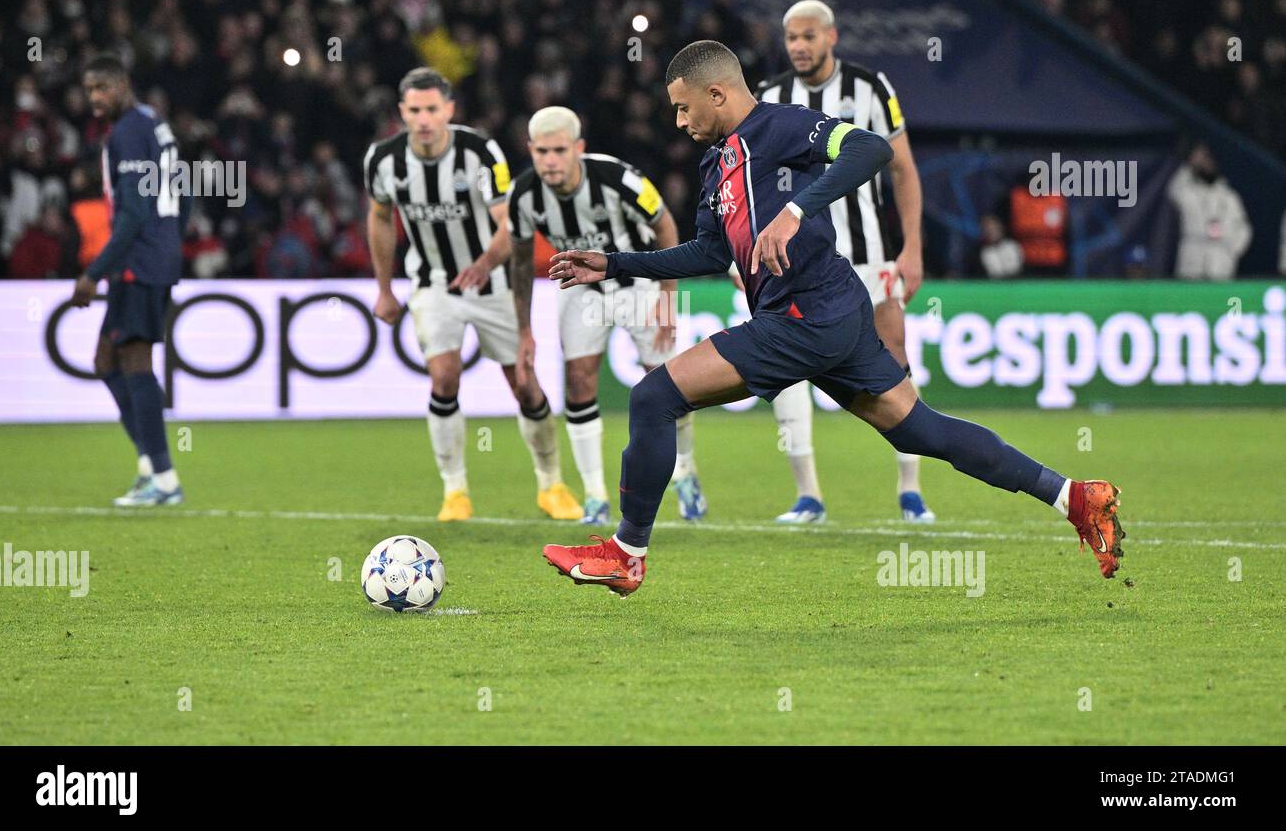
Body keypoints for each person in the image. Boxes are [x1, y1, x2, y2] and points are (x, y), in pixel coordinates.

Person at [541, 41, 1125, 596]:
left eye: (682, 107)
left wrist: (795, 210)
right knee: (920, 429)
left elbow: (872, 148)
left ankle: (626, 553)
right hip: (827, 314)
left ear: (716, 94)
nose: (678, 121)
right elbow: (711, 252)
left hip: (806, 314)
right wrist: (615, 262)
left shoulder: (780, 126)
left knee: (652, 398)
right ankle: (1074, 497)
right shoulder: (716, 164)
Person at [365, 68, 582, 523]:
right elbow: (380, 218)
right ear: (402, 112)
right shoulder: (384, 160)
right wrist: (384, 289)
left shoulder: (479, 152)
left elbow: (509, 222)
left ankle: (551, 484)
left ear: (448, 109)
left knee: (524, 384)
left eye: (431, 109)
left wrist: (484, 263)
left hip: (493, 283)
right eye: (414, 111)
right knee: (444, 377)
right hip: (433, 283)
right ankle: (455, 491)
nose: (423, 119)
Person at [757, 0, 933, 525]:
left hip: (871, 252)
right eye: (791, 38)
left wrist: (913, 246)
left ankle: (910, 488)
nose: (798, 47)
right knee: (786, 365)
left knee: (894, 355)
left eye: (808, 36)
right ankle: (808, 495)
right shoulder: (768, 99)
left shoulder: (872, 89)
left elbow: (903, 170)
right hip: (795, 261)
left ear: (831, 37)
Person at [508, 106, 706, 526]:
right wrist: (524, 328)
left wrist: (667, 297)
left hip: (639, 281)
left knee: (670, 380)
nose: (550, 160)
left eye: (559, 150)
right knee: (578, 381)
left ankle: (686, 473)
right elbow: (521, 262)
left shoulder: (618, 177)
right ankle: (595, 494)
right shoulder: (523, 195)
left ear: (578, 148)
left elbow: (665, 224)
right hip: (580, 290)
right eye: (541, 151)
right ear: (531, 150)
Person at [70, 53, 190, 507]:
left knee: (135, 363)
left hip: (137, 262)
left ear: (123, 83)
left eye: (103, 87)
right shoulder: (153, 123)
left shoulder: (127, 132)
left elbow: (135, 213)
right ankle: (149, 467)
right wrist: (171, 238)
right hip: (150, 255)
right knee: (107, 361)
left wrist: (92, 274)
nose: (96, 98)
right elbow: (186, 190)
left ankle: (164, 479)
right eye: (89, 90)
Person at [1169, 144, 1252, 280]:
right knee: (1190, 299)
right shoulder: (1190, 192)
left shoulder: (1229, 196)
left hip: (1221, 259)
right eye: (1204, 162)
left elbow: (1244, 229)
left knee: (1220, 298)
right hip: (1193, 258)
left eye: (1210, 162)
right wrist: (1191, 163)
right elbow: (1174, 190)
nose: (1208, 165)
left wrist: (1232, 251)